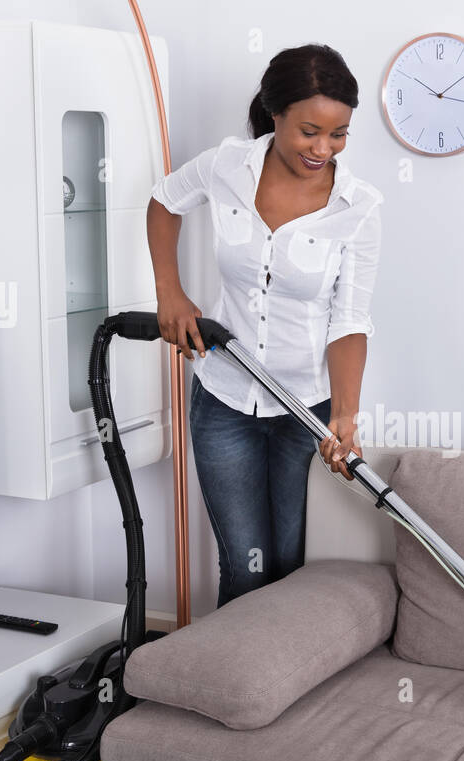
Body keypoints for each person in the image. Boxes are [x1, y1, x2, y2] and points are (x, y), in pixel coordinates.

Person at [146, 43, 384, 608]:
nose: (323, 149)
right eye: (309, 132)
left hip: (307, 412)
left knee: (294, 565)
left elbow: (349, 320)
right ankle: (240, 689)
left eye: (339, 134)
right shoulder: (227, 166)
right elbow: (164, 201)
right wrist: (170, 293)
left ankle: (293, 685)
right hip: (222, 399)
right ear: (274, 115)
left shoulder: (360, 206)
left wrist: (346, 415)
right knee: (245, 565)